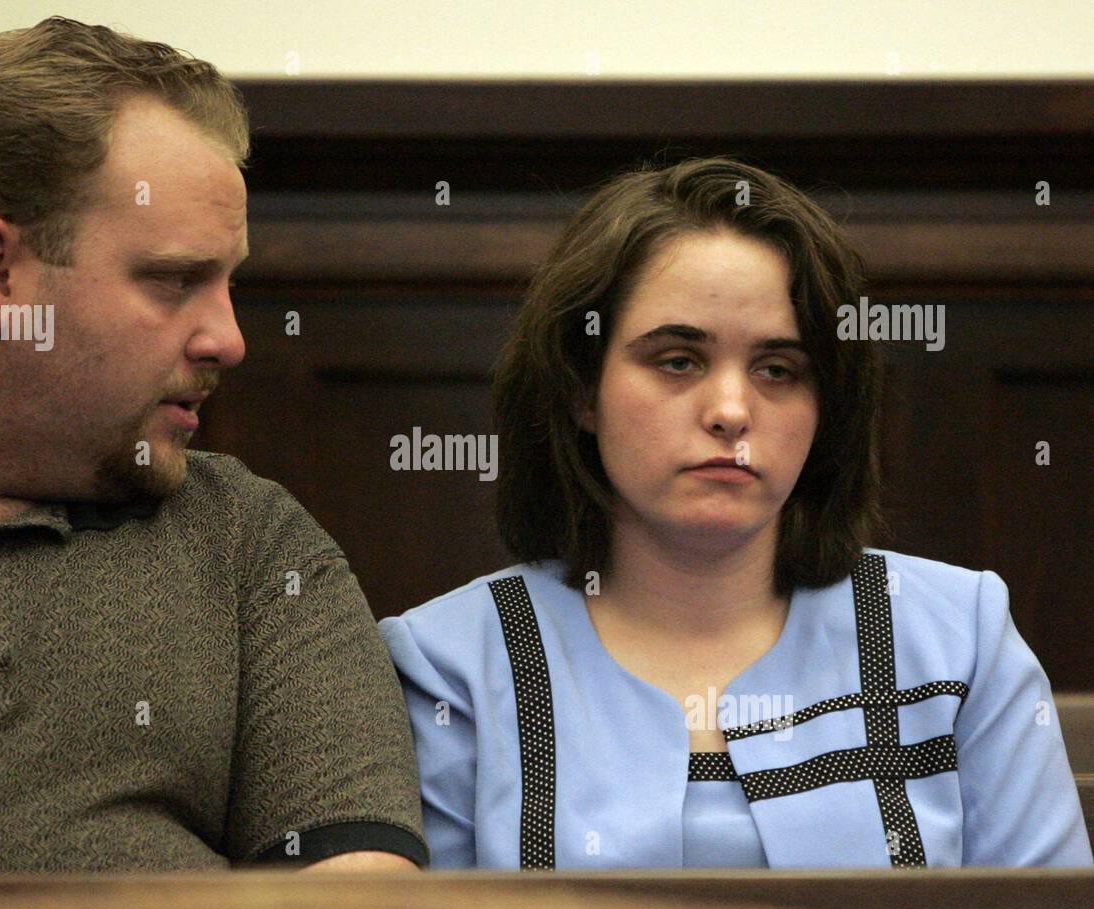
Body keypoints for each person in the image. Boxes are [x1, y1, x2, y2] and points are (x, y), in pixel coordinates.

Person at [0, 18, 425, 873]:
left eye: (229, 283)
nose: (230, 341)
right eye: (174, 280)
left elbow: (358, 893)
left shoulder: (253, 543)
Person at [379, 157, 1093, 870]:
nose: (730, 411)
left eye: (778, 369)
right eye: (678, 360)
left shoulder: (960, 638)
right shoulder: (451, 667)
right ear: (581, 390)